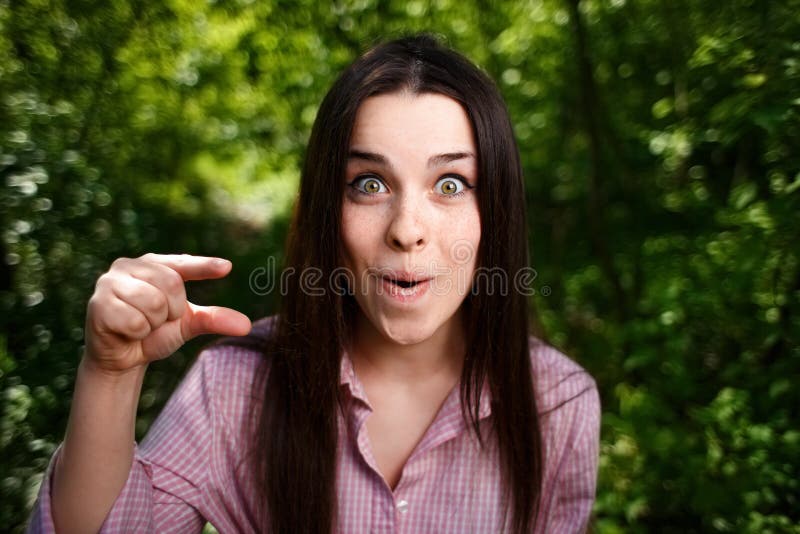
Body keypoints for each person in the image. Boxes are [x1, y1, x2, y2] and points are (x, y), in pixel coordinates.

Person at [28, 34, 599, 533]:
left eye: (450, 184)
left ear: (495, 208)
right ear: (329, 207)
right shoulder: (235, 389)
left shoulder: (559, 404)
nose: (406, 231)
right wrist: (110, 374)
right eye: (369, 184)